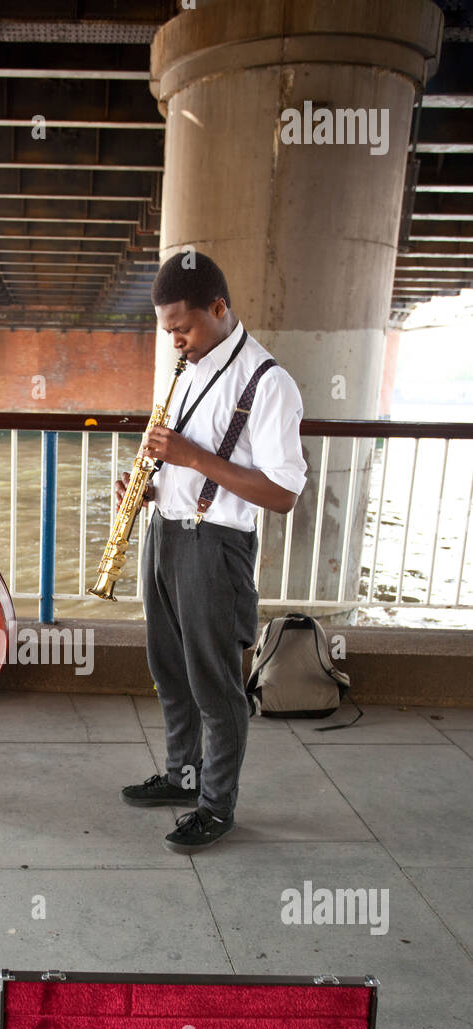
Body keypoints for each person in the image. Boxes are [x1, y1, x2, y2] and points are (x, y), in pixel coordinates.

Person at [119, 252, 307, 850]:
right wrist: (148, 488)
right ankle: (183, 775)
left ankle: (216, 806)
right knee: (168, 669)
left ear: (219, 309)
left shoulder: (268, 382)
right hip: (167, 532)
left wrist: (191, 458)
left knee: (216, 684)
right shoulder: (190, 366)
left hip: (216, 546)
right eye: (167, 329)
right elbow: (182, 462)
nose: (175, 340)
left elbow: (281, 493)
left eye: (183, 327)